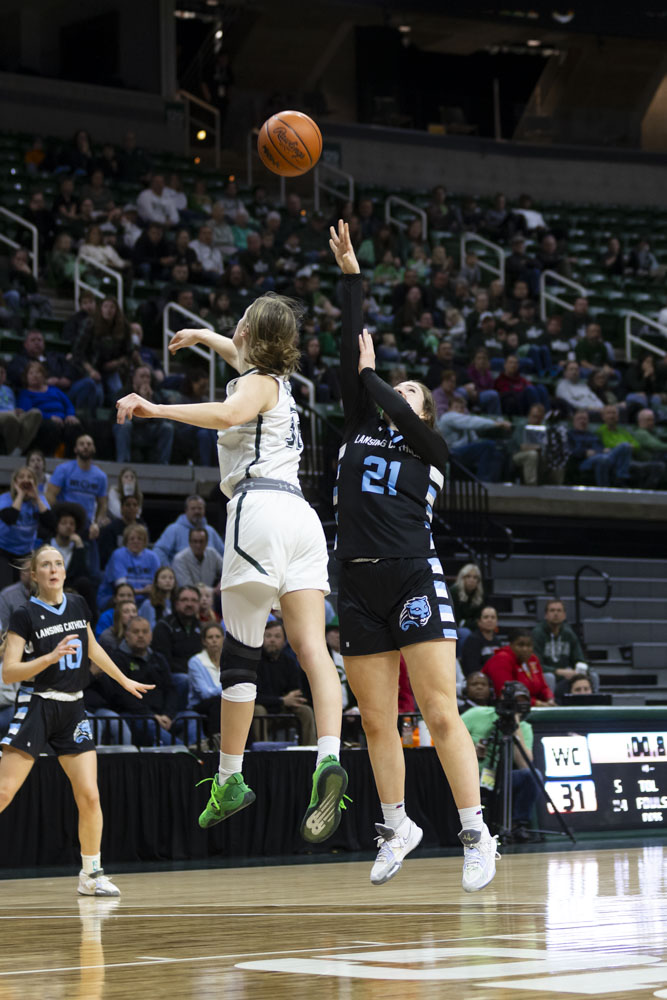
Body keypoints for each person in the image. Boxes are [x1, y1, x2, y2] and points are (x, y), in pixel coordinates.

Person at [116, 287, 347, 846]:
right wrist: (200, 337)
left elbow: (226, 411)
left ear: (251, 335)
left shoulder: (251, 387)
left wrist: (155, 407)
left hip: (258, 511)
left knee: (239, 659)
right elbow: (239, 359)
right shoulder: (280, 385)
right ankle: (329, 759)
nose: (232, 327)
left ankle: (229, 778)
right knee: (313, 649)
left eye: (237, 322)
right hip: (302, 519)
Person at [329, 220, 498, 892]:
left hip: (411, 576)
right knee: (374, 718)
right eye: (392, 389)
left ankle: (474, 831)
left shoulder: (430, 448)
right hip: (355, 581)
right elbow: (351, 360)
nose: (399, 395)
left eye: (412, 393)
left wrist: (377, 381)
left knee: (436, 709)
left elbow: (382, 395)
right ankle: (397, 824)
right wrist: (350, 279)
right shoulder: (356, 425)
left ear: (425, 411)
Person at [0, 544, 153, 895]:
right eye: (45, 565)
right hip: (38, 704)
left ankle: (91, 874)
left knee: (89, 795)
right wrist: (49, 657)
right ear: (34, 575)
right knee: (5, 792)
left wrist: (124, 680)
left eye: (58, 563)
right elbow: (9, 672)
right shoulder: (24, 614)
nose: (53, 569)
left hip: (73, 709)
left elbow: (94, 648)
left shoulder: (79, 604)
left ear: (64, 571)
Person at [461, 681, 541, 842]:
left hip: (498, 777)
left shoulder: (524, 727)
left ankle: (517, 825)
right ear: (503, 698)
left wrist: (515, 723)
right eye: (514, 700)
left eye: (521, 701)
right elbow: (447, 736)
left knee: (533, 775)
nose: (517, 705)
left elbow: (525, 765)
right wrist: (470, 751)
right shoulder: (477, 714)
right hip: (469, 774)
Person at [254, 619, 316, 745]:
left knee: (305, 711)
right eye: (268, 636)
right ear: (261, 638)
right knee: (258, 710)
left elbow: (295, 692)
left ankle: (309, 752)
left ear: (284, 641)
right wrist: (281, 700)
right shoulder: (254, 661)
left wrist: (288, 701)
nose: (272, 640)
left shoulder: (289, 662)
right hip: (263, 709)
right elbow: (254, 696)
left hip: (283, 710)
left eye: (277, 636)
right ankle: (262, 752)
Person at [0, 466, 51, 590]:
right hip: (4, 549)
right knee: (5, 587)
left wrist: (37, 497)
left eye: (29, 477)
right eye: (21, 477)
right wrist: (20, 495)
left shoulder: (40, 500)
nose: (25, 480)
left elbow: (51, 523)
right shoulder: (5, 499)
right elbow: (10, 519)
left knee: (26, 588)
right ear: (15, 482)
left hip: (25, 552)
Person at [16, 361, 82, 456]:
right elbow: (28, 413)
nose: (35, 376)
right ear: (26, 377)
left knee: (74, 426)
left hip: (63, 419)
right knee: (50, 427)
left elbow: (68, 405)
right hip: (43, 421)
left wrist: (70, 415)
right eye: (31, 373)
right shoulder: (25, 394)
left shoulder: (54, 389)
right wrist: (49, 417)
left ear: (44, 376)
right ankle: (48, 457)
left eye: (38, 372)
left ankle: (71, 459)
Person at [46, 434, 108, 535]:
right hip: (65, 522)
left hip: (86, 524)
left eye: (89, 444)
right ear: (75, 449)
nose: (85, 446)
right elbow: (49, 495)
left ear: (94, 449)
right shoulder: (63, 469)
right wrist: (59, 518)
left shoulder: (101, 476)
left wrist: (97, 523)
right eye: (82, 444)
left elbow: (103, 504)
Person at [484, 630, 554, 706]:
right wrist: (537, 703)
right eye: (521, 645)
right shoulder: (501, 659)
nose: (525, 649)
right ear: (511, 645)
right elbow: (506, 694)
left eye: (529, 645)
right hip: (506, 707)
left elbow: (543, 687)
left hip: (532, 705)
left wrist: (550, 699)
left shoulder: (533, 659)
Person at [97, 524, 159, 609]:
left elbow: (157, 584)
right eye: (132, 539)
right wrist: (144, 591)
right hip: (117, 597)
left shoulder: (152, 557)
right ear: (126, 541)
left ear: (145, 541)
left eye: (139, 539)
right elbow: (122, 588)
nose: (135, 541)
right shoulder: (118, 555)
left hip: (145, 600)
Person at [532, 599, 588, 691]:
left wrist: (580, 670)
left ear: (564, 615)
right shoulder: (538, 633)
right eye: (552, 610)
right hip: (548, 674)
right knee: (550, 677)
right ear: (546, 615)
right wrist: (557, 671)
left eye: (559, 610)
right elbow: (536, 665)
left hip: (567, 674)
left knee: (592, 675)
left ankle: (593, 704)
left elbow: (579, 659)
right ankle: (550, 703)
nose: (556, 614)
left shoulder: (569, 633)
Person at [153, 495, 225, 567]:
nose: (197, 511)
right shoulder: (173, 529)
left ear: (204, 510)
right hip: (180, 575)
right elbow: (159, 551)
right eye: (193, 508)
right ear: (186, 510)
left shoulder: (211, 531)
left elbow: (224, 554)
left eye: (200, 508)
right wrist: (169, 572)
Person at [0, 359, 42, 456]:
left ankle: (17, 451)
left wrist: (18, 411)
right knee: (11, 418)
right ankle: (11, 453)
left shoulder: (8, 390)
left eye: (3, 372)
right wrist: (11, 413)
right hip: (4, 416)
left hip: (13, 414)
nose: (1, 375)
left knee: (35, 413)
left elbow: (12, 406)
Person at [461, 606, 502, 678]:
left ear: (497, 621)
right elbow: (471, 669)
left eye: (493, 617)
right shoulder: (472, 640)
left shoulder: (497, 641)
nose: (490, 620)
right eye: (486, 617)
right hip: (478, 679)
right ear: (479, 622)